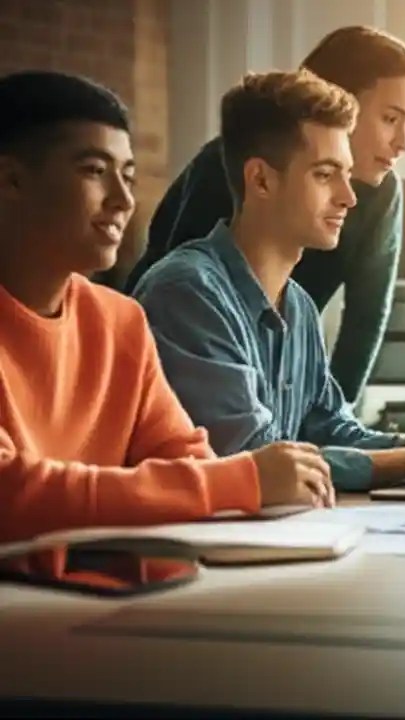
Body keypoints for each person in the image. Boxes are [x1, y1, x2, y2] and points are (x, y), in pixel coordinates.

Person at [131, 70, 405, 493]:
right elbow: (256, 459)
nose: (349, 197)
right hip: (198, 550)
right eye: (324, 174)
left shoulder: (296, 305)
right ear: (260, 179)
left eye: (347, 174)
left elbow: (338, 431)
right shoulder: (187, 292)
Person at [0, 71, 333, 544]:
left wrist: (230, 482)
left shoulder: (119, 322)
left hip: (90, 597)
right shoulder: (179, 288)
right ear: (11, 180)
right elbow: (12, 492)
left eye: (129, 175)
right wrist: (241, 479)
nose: (123, 200)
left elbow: (186, 460)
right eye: (94, 171)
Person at [123, 26, 405, 404]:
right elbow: (179, 298)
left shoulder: (381, 194)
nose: (403, 143)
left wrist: (330, 415)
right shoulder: (232, 165)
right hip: (172, 370)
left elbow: (365, 320)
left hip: (278, 376)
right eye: (390, 118)